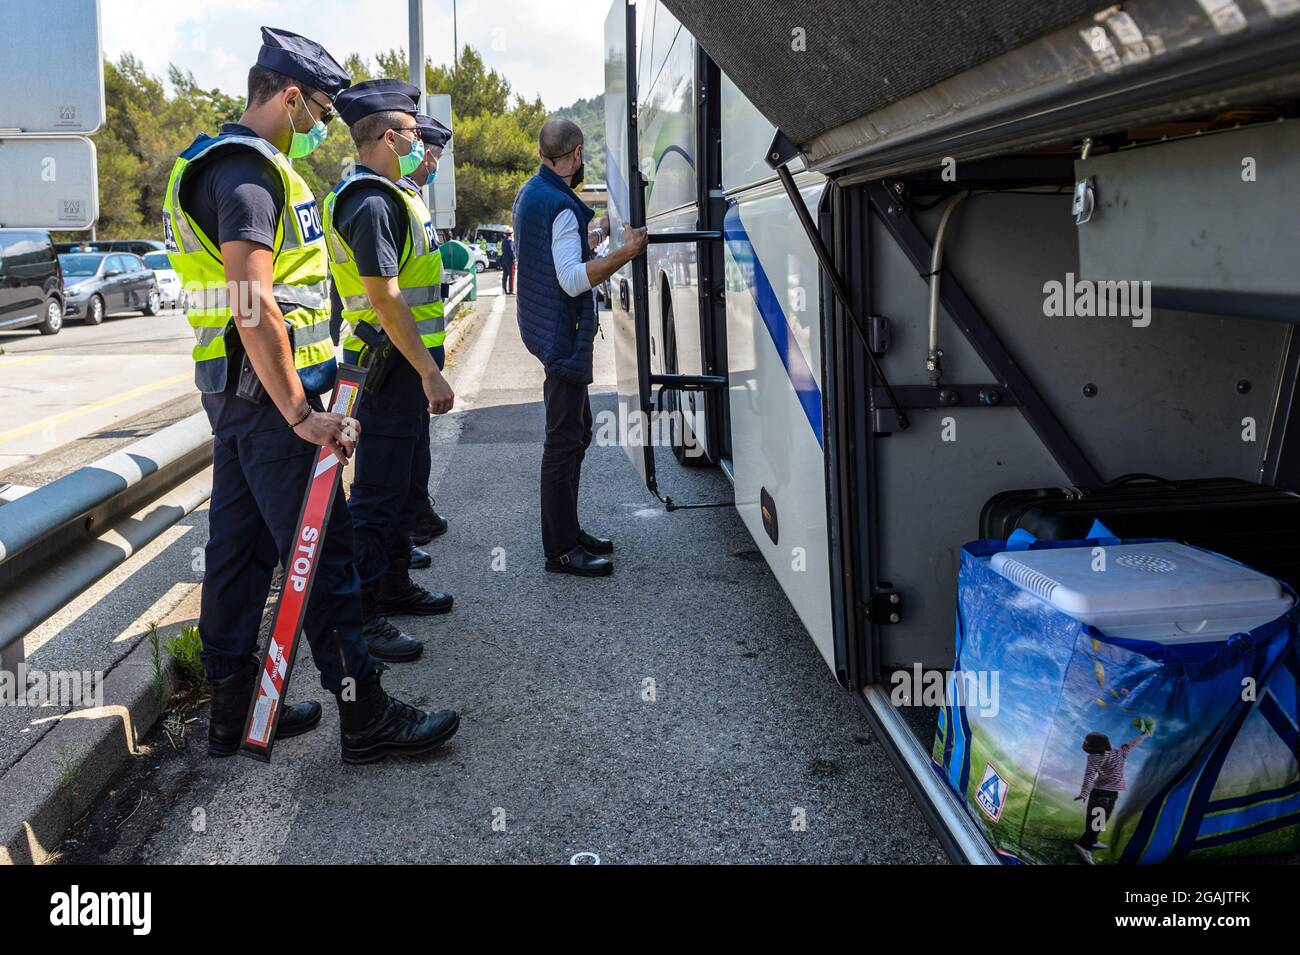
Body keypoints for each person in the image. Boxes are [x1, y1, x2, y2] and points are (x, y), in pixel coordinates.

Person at [162, 27, 458, 763]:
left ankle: (231, 713)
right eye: (321, 112)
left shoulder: (212, 163)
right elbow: (251, 302)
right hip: (272, 403)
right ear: (289, 97)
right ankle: (366, 713)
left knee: (236, 551)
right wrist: (301, 412)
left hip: (233, 396)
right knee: (321, 553)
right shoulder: (250, 174)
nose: (324, 128)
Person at [322, 80, 455, 660]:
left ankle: (394, 584)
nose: (418, 136)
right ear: (384, 135)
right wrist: (430, 373)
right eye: (409, 128)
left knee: (399, 484)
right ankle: (366, 614)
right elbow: (387, 299)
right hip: (387, 365)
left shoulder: (389, 193)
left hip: (399, 363)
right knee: (376, 492)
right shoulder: (370, 202)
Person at [512, 118, 647, 577]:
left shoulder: (533, 193)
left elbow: (553, 252)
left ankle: (568, 531)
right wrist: (625, 253)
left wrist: (599, 232)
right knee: (564, 442)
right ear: (575, 155)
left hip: (545, 329)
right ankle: (562, 550)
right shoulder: (563, 207)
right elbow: (570, 277)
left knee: (577, 433)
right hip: (562, 334)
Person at [401, 113, 453, 571]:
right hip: (399, 354)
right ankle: (404, 532)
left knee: (416, 443)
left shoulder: (412, 199)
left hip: (420, 348)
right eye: (430, 154)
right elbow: (385, 293)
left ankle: (416, 516)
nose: (432, 163)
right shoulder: (387, 201)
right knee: (399, 453)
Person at [499, 227, 516, 294]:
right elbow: (511, 251)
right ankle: (511, 290)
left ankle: (504, 290)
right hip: (509, 261)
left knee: (505, 275)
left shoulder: (503, 241)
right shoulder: (510, 241)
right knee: (511, 276)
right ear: (511, 234)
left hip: (504, 260)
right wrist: (514, 258)